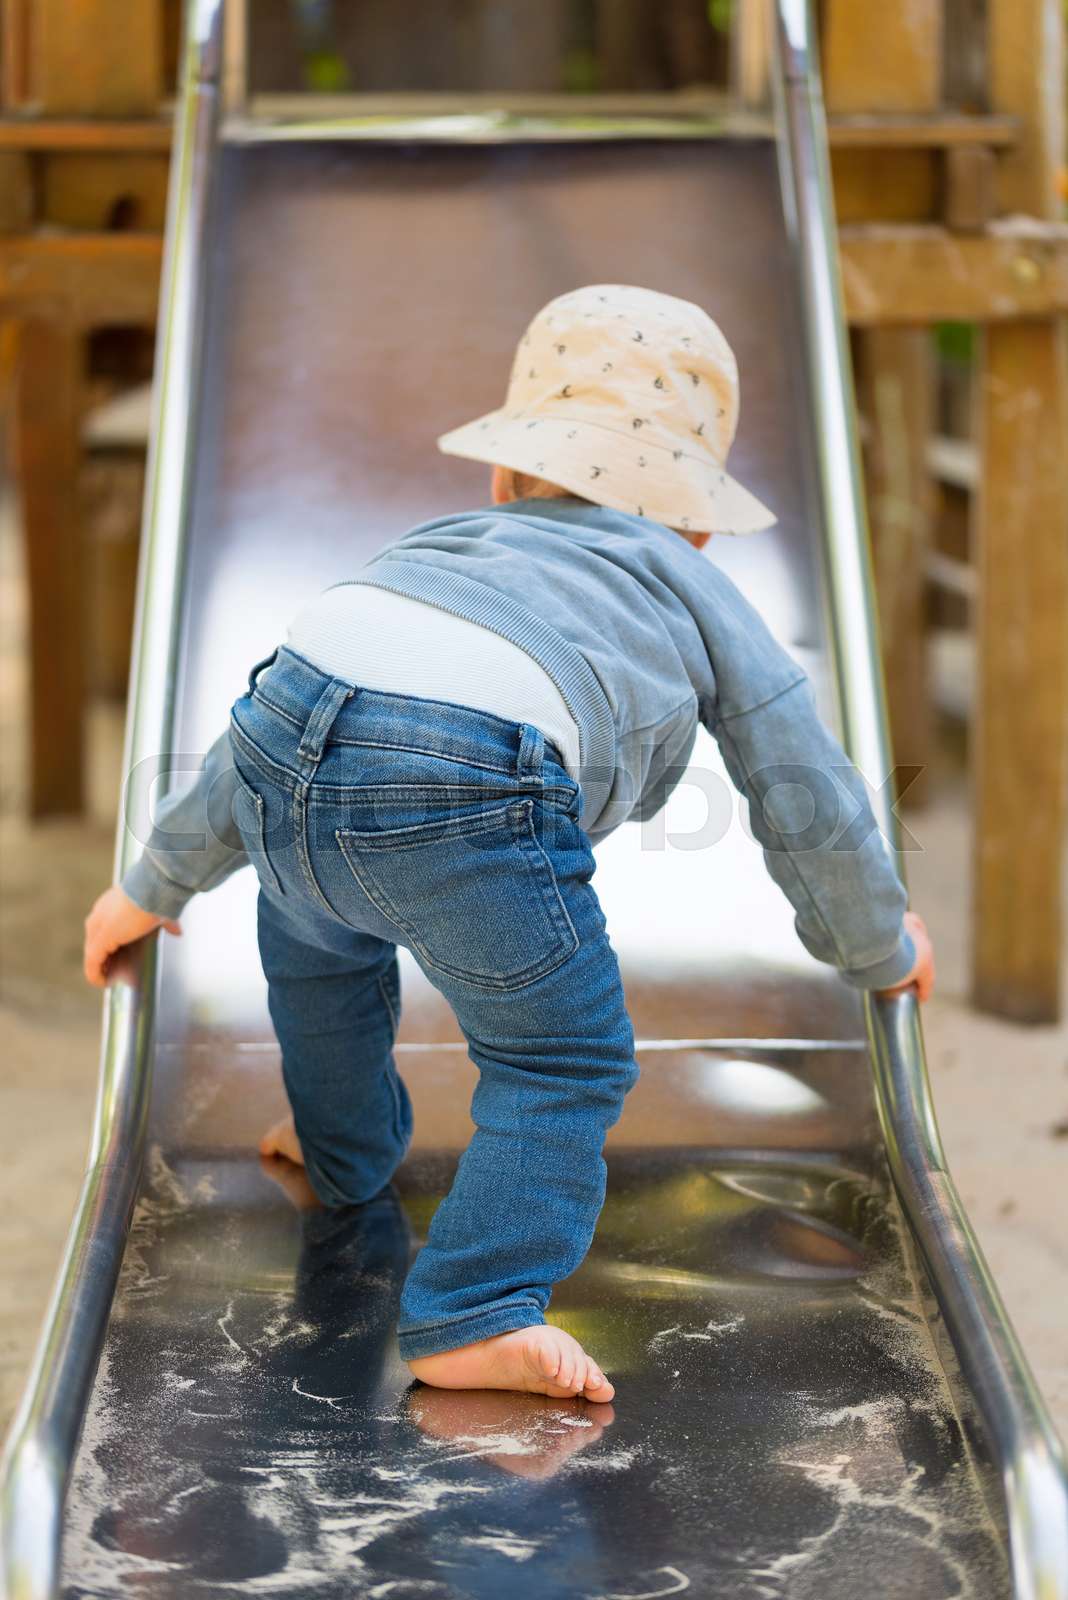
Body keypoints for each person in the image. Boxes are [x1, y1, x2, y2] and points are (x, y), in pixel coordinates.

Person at [83, 284, 935, 1405]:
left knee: (323, 950)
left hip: (291, 722)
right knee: (560, 1057)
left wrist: (149, 883)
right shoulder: (689, 576)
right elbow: (803, 786)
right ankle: (476, 1309)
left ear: (502, 476)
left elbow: (253, 749)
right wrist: (874, 941)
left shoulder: (435, 545)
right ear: (697, 520)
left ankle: (342, 1154)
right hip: (471, 780)